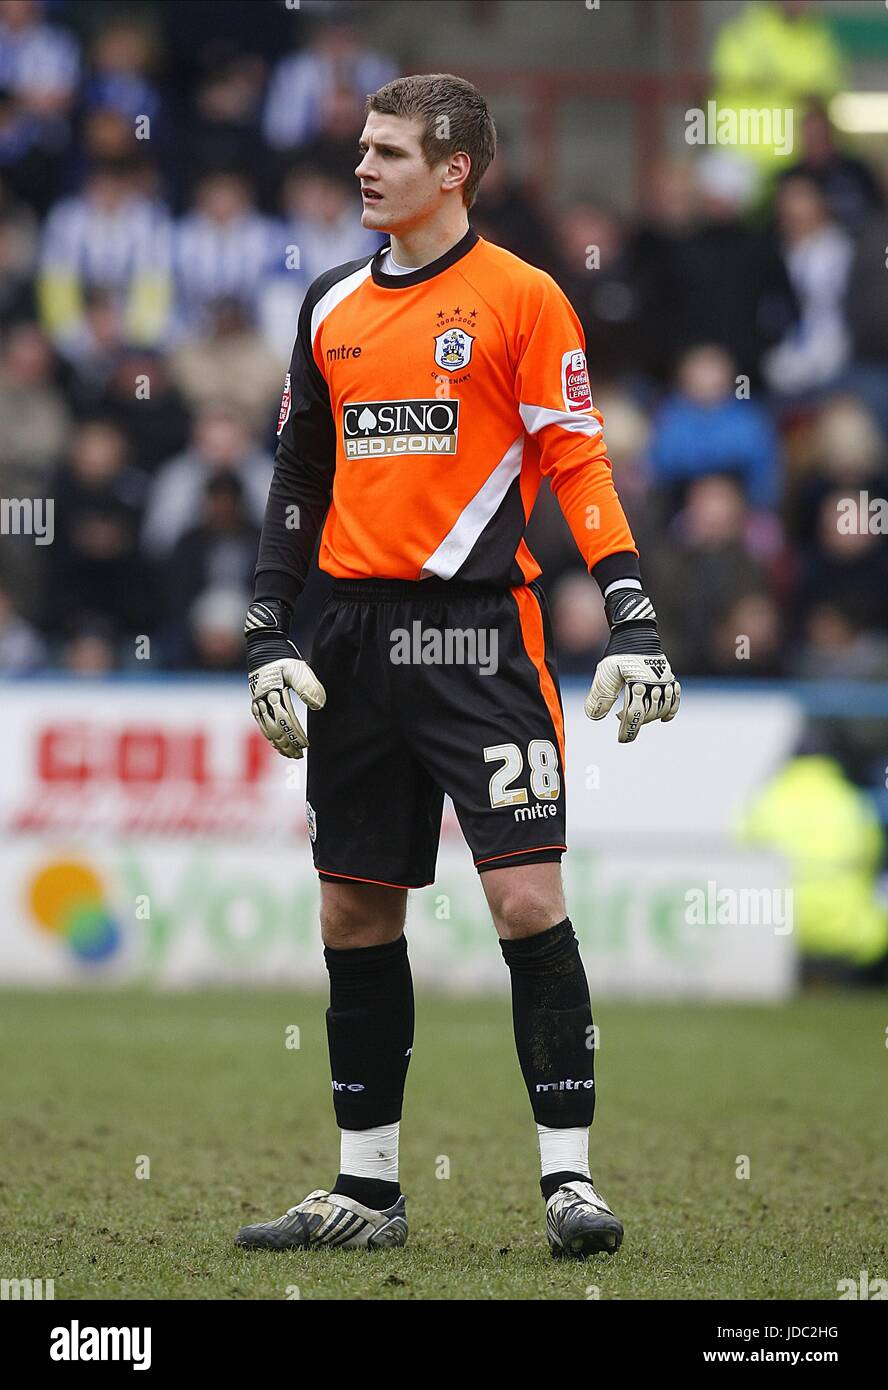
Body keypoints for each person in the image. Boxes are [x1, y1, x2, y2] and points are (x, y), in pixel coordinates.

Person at [235, 73, 680, 1261]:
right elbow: (298, 474)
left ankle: (570, 1183)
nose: (365, 167)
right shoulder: (329, 303)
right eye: (362, 147)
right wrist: (267, 627)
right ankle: (367, 1192)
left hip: (478, 638)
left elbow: (577, 464)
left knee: (527, 898)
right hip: (347, 643)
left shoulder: (524, 300)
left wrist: (632, 611)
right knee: (352, 908)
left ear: (454, 169)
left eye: (389, 151)